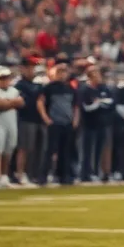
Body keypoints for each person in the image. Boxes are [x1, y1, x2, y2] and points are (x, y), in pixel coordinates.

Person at [37, 57, 79, 185]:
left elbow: (75, 106)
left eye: (64, 72)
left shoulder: (70, 88)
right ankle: (43, 176)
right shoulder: (49, 87)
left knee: (65, 151)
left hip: (67, 122)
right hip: (54, 122)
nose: (62, 74)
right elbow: (40, 102)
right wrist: (46, 118)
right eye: (59, 72)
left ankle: (64, 175)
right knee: (50, 150)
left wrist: (75, 120)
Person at [77, 66, 113, 182]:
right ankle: (85, 174)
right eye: (95, 75)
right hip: (88, 125)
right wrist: (97, 104)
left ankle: (96, 172)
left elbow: (110, 102)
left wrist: (99, 103)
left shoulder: (103, 88)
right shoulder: (85, 90)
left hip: (101, 124)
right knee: (87, 151)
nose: (98, 77)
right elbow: (86, 107)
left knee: (99, 150)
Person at [15, 57, 45, 186]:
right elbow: (22, 103)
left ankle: (33, 174)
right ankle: (20, 173)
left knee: (37, 149)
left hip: (39, 120)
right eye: (29, 67)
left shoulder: (38, 84)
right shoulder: (20, 85)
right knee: (24, 148)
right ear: (23, 69)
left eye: (33, 67)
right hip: (25, 119)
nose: (31, 70)